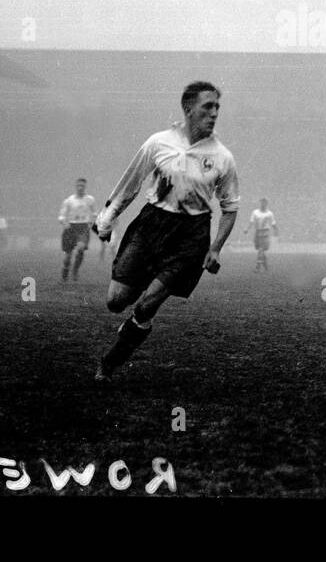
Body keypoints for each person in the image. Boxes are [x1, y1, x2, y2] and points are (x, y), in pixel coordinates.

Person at [92, 81, 240, 382]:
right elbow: (130, 183)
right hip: (151, 225)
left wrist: (215, 248)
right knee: (116, 302)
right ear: (187, 109)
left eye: (217, 108)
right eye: (207, 107)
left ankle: (110, 361)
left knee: (147, 305)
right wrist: (107, 217)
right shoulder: (158, 143)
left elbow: (230, 207)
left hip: (190, 236)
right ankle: (134, 313)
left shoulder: (223, 157)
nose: (213, 114)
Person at [57, 178, 96, 281]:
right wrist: (64, 223)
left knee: (80, 249)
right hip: (71, 227)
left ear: (85, 187)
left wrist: (91, 222)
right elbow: (61, 215)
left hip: (83, 227)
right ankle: (65, 272)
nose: (80, 188)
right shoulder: (69, 200)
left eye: (82, 186)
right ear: (75, 186)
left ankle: (75, 270)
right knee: (68, 257)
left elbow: (94, 213)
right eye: (78, 185)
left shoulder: (90, 200)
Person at [244, 197, 278, 272]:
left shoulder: (269, 213)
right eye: (262, 202)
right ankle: (266, 266)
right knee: (260, 250)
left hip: (265, 232)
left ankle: (257, 267)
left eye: (265, 202)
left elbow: (273, 223)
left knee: (261, 249)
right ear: (260, 203)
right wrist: (247, 229)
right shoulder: (255, 212)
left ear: (267, 203)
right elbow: (251, 221)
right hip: (257, 232)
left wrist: (276, 231)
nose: (263, 204)